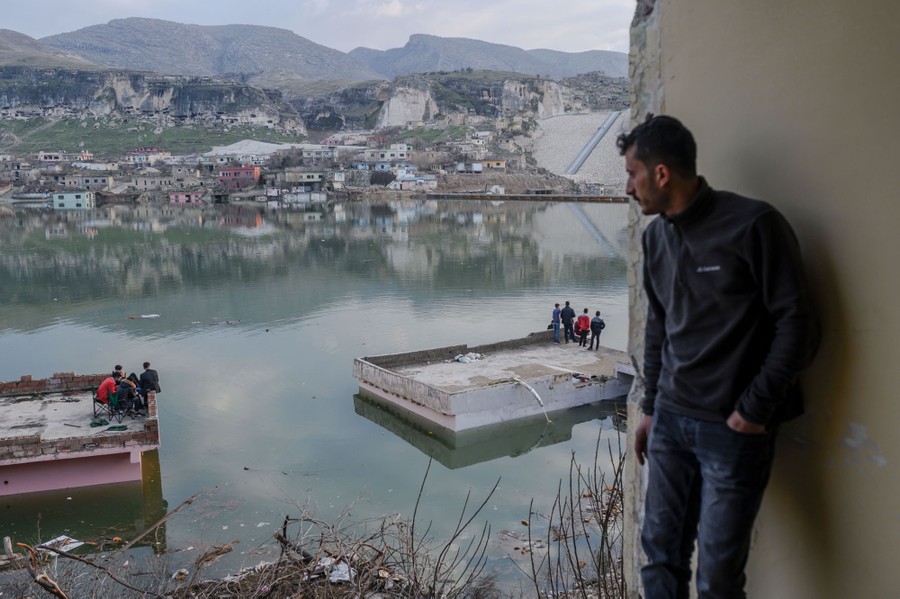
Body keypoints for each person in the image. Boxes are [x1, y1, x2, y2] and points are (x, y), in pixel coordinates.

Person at [619, 115, 819, 598]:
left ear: (662, 174)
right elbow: (660, 329)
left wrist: (753, 411)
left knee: (717, 580)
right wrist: (650, 409)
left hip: (731, 431)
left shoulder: (754, 225)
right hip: (670, 423)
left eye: (632, 173)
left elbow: (800, 326)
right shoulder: (656, 238)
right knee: (659, 560)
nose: (628, 187)